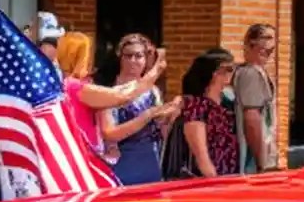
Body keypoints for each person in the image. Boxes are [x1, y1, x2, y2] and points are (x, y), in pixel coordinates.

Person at [98, 33, 180, 185]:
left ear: (145, 59)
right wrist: (147, 116)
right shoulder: (109, 90)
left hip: (150, 163)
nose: (133, 61)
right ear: (120, 57)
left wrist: (169, 117)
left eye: (138, 56)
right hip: (121, 164)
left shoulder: (153, 91)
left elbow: (161, 132)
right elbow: (110, 134)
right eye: (128, 56)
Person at [181, 48, 240, 178]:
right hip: (208, 178)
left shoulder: (229, 101)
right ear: (213, 73)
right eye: (228, 69)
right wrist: (212, 177)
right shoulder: (196, 106)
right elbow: (200, 153)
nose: (232, 72)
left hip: (231, 174)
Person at [233, 24, 278, 173]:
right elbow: (252, 118)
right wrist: (261, 162)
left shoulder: (258, 72)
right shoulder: (250, 74)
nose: (270, 44)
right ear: (250, 43)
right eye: (266, 38)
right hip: (252, 160)